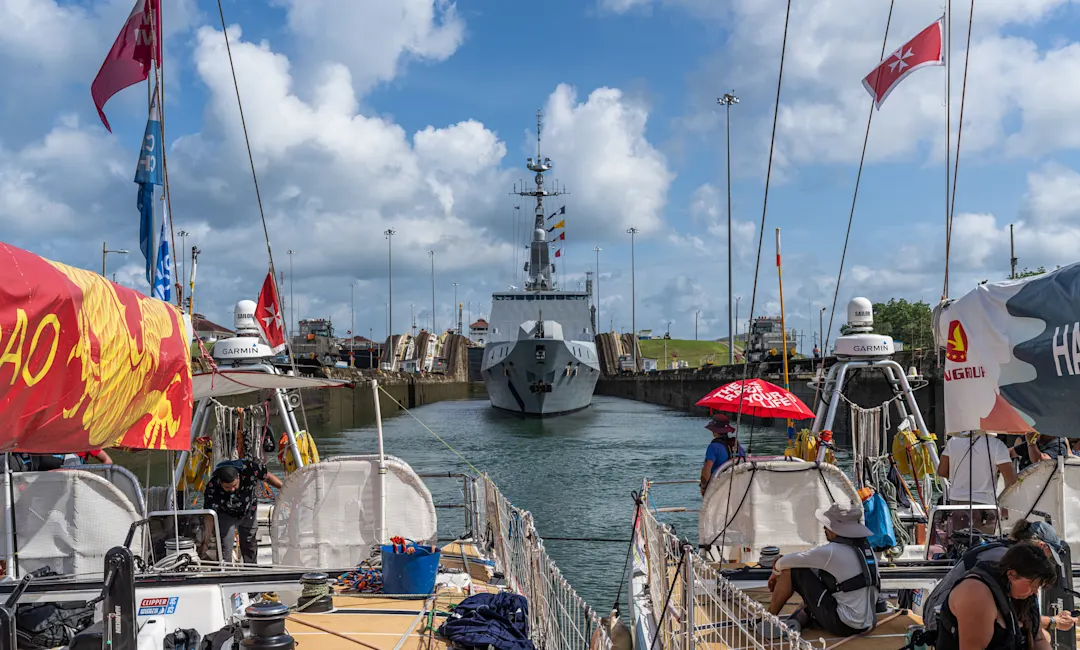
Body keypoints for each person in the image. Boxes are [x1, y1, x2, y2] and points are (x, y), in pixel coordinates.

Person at [924, 520, 1076, 633]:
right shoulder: (1003, 560)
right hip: (943, 623)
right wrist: (1052, 621)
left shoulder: (1001, 551)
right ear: (1041, 546)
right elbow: (1007, 618)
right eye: (1048, 556)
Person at [761, 503, 879, 639]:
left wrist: (775, 573)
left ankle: (768, 620)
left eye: (827, 526)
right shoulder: (865, 549)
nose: (824, 528)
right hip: (868, 622)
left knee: (793, 570)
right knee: (819, 575)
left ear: (836, 530)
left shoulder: (832, 552)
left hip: (844, 625)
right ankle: (804, 616)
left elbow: (785, 562)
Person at [935, 541, 1060, 650]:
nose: (1034, 592)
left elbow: (1038, 639)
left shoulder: (1024, 594)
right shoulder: (977, 594)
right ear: (1012, 574)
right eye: (1033, 585)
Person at [202, 459, 283, 565]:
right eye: (227, 487)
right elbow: (209, 516)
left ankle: (252, 568)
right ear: (220, 482)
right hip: (226, 513)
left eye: (234, 485)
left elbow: (267, 476)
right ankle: (224, 570)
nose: (231, 489)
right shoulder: (212, 487)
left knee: (249, 541)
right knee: (225, 545)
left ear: (239, 477)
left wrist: (284, 488)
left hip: (248, 509)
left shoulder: (250, 469)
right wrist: (205, 541)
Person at [937, 431, 1017, 504]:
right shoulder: (997, 445)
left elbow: (942, 471)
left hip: (956, 499)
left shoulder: (953, 441)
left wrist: (961, 476)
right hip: (984, 501)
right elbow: (1012, 479)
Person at [699, 413, 746, 496]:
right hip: (735, 488)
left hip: (718, 489)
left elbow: (706, 471)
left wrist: (703, 487)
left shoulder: (713, 447)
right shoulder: (737, 446)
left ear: (715, 430)